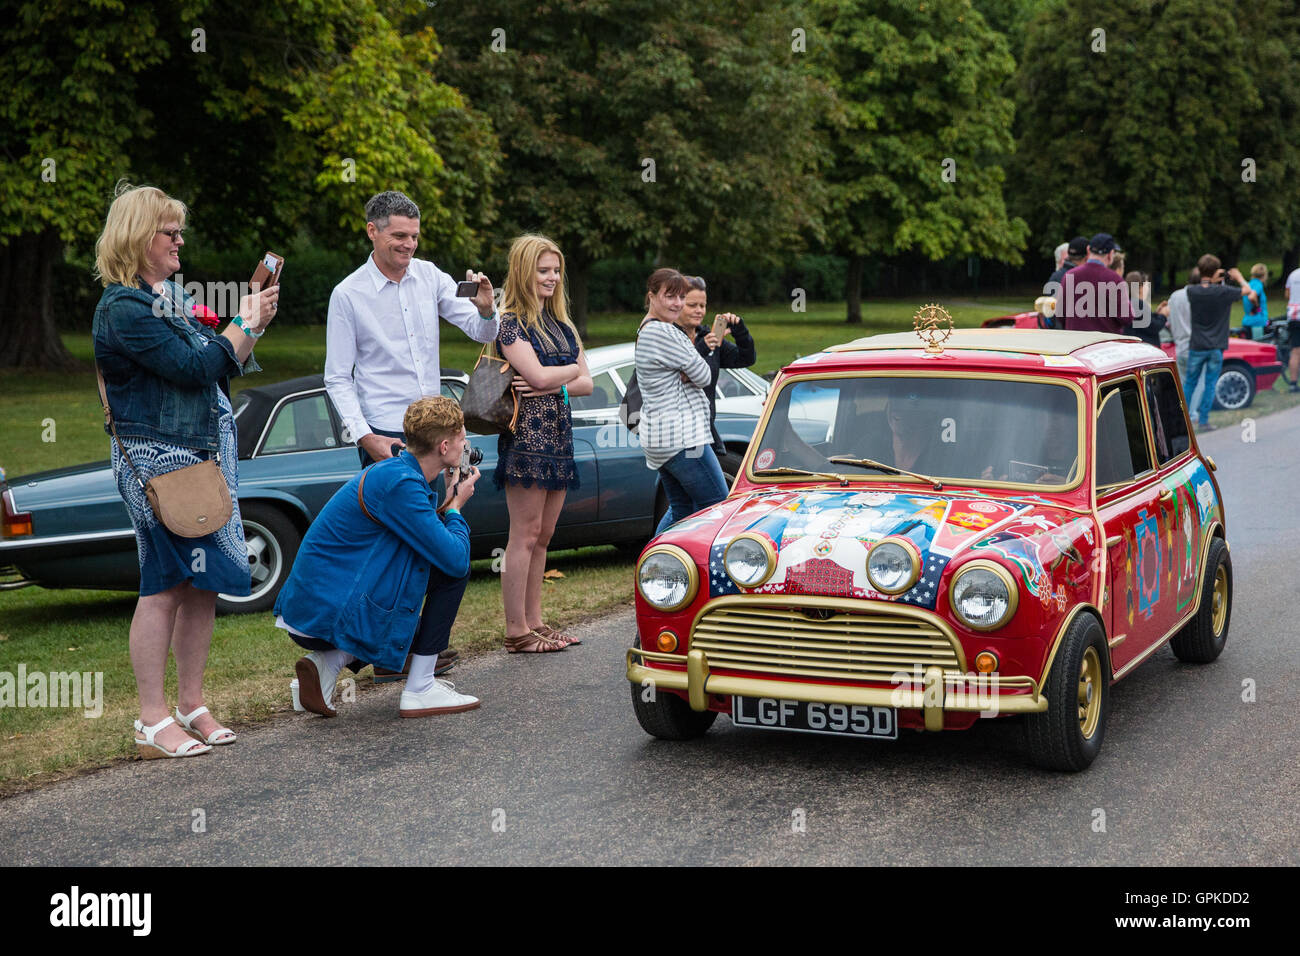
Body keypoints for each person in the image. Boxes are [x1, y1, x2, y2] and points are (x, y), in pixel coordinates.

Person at [92, 182, 279, 758]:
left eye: (179, 231)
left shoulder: (168, 296)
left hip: (206, 459)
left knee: (204, 584)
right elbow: (199, 367)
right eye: (169, 231)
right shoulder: (124, 307)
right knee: (166, 585)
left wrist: (252, 320)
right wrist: (243, 323)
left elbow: (220, 366)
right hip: (160, 464)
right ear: (137, 237)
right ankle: (152, 718)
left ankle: (192, 703)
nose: (180, 241)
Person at [324, 190, 499, 677]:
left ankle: (396, 652)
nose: (408, 246)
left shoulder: (430, 277)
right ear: (372, 231)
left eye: (415, 237)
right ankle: (385, 653)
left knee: (432, 541)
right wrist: (366, 439)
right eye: (399, 236)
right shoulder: (348, 294)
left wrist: (487, 309)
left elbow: (483, 333)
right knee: (397, 550)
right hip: (386, 438)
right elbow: (337, 377)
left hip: (438, 434)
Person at [275, 397, 482, 718]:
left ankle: (327, 666)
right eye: (462, 438)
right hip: (325, 616)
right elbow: (453, 559)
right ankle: (421, 688)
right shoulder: (401, 484)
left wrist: (446, 496)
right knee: (455, 570)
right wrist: (455, 508)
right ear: (444, 446)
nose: (466, 444)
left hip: (316, 610)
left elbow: (424, 542)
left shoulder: (397, 474)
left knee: (427, 569)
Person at [493, 236, 594, 653]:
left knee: (545, 535)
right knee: (525, 533)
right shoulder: (509, 322)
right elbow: (535, 378)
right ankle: (516, 630)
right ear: (523, 271)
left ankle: (535, 621)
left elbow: (587, 384)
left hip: (558, 437)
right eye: (543, 270)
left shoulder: (563, 324)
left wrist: (560, 381)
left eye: (556, 271)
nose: (551, 278)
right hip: (525, 439)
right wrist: (567, 372)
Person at [635, 269, 728, 535]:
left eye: (681, 296)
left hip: (661, 436)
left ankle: (656, 567)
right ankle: (712, 571)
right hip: (682, 437)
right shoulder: (665, 332)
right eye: (670, 296)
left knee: (681, 509)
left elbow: (695, 372)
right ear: (651, 296)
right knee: (719, 507)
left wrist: (686, 369)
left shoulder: (645, 329)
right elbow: (703, 374)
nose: (677, 303)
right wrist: (688, 368)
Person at [676, 275, 757, 458]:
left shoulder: (709, 337)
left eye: (702, 306)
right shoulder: (671, 337)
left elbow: (746, 359)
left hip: (704, 430)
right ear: (678, 303)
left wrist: (740, 332)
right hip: (678, 433)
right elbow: (677, 375)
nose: (699, 311)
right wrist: (702, 348)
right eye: (692, 305)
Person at [1184, 255, 1259, 431]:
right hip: (1216, 345)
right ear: (1216, 271)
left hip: (1197, 345)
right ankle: (1203, 421)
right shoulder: (1223, 292)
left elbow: (1202, 284)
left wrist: (1210, 277)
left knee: (1190, 383)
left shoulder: (1191, 291)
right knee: (1210, 384)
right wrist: (1239, 278)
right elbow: (1247, 291)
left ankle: (1184, 421)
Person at [1058, 233, 1133, 333]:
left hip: (1075, 344)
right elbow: (1126, 318)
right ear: (1110, 254)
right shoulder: (1114, 279)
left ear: (1088, 250)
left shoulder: (1069, 275)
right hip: (1104, 344)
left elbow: (1059, 314)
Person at [1042, 237, 1088, 328]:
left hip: (1060, 336)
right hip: (1074, 335)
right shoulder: (1086, 277)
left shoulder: (1055, 277)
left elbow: (1048, 315)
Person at [1167, 267, 1199, 380]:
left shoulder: (1175, 296)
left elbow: (1168, 322)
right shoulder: (1202, 297)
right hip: (1198, 349)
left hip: (1180, 348)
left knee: (1184, 388)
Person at [1122, 271, 1169, 346]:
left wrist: (1156, 314)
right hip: (1145, 349)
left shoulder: (1129, 302)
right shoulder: (1139, 304)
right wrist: (1163, 315)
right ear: (1140, 287)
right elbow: (1154, 327)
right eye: (1147, 285)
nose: (1148, 288)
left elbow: (1145, 324)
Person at [1242, 263, 1269, 340]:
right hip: (1257, 322)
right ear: (1264, 275)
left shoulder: (1248, 284)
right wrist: (1257, 307)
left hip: (1247, 321)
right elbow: (1252, 297)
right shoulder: (1258, 284)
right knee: (1258, 347)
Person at [1286, 263, 1300, 392]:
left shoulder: (1293, 274)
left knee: (1295, 351)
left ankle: (1293, 383)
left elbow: (1287, 294)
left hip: (1294, 316)